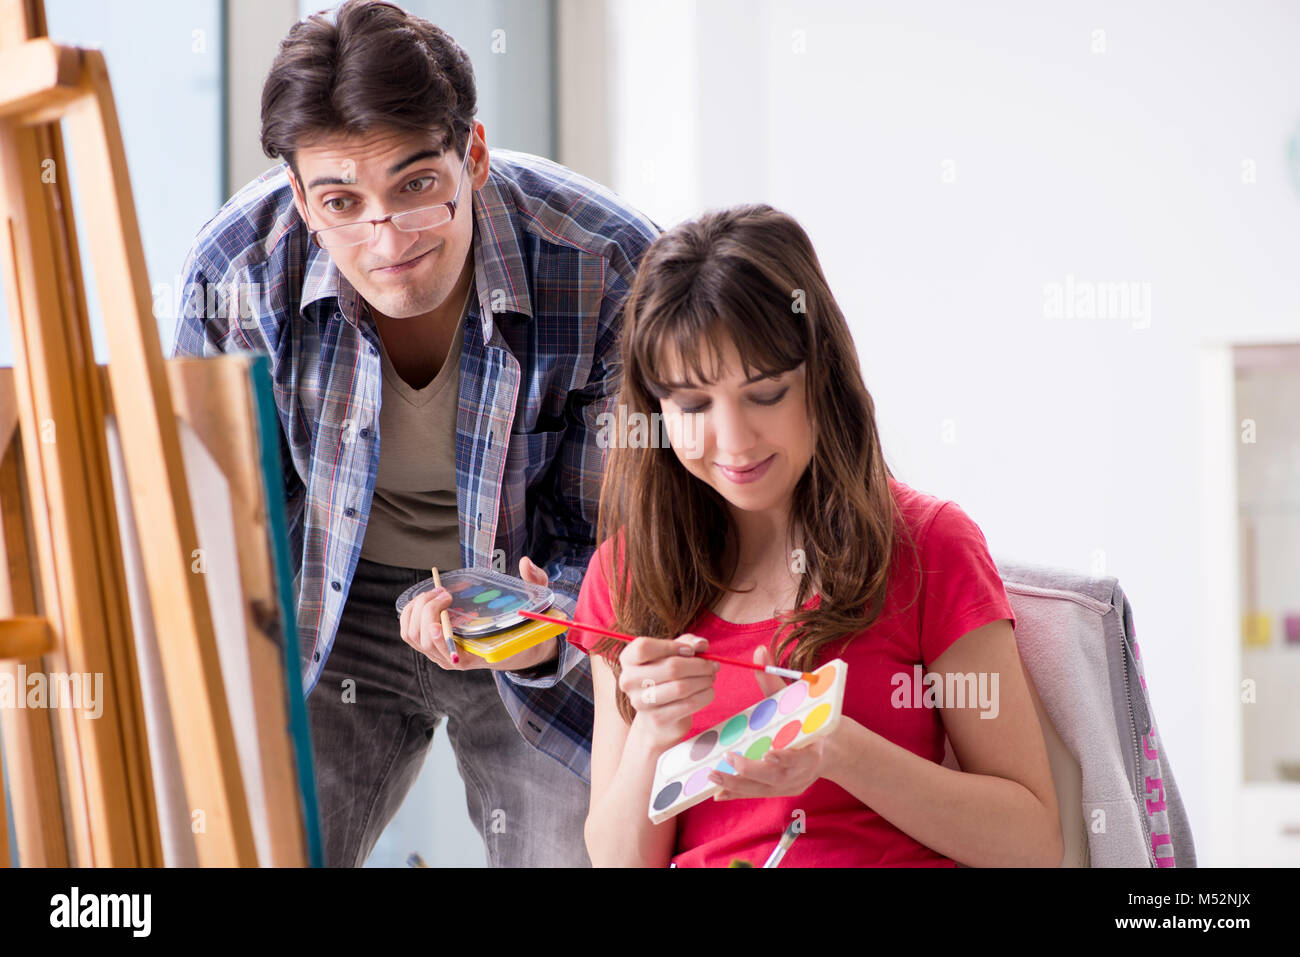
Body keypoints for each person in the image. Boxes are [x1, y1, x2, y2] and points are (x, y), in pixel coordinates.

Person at [172, 0, 658, 866]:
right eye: (342, 201)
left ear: (470, 156)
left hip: (537, 597)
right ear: (301, 198)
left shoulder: (610, 265)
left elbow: (630, 535)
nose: (386, 238)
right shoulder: (238, 271)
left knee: (585, 852)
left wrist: (544, 621)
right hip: (333, 596)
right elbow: (220, 534)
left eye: (416, 187)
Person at [570, 204, 1064, 867]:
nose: (735, 440)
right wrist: (654, 729)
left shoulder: (928, 546)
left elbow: (1032, 843)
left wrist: (841, 751)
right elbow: (617, 860)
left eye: (766, 394)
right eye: (692, 406)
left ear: (821, 371)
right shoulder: (627, 575)